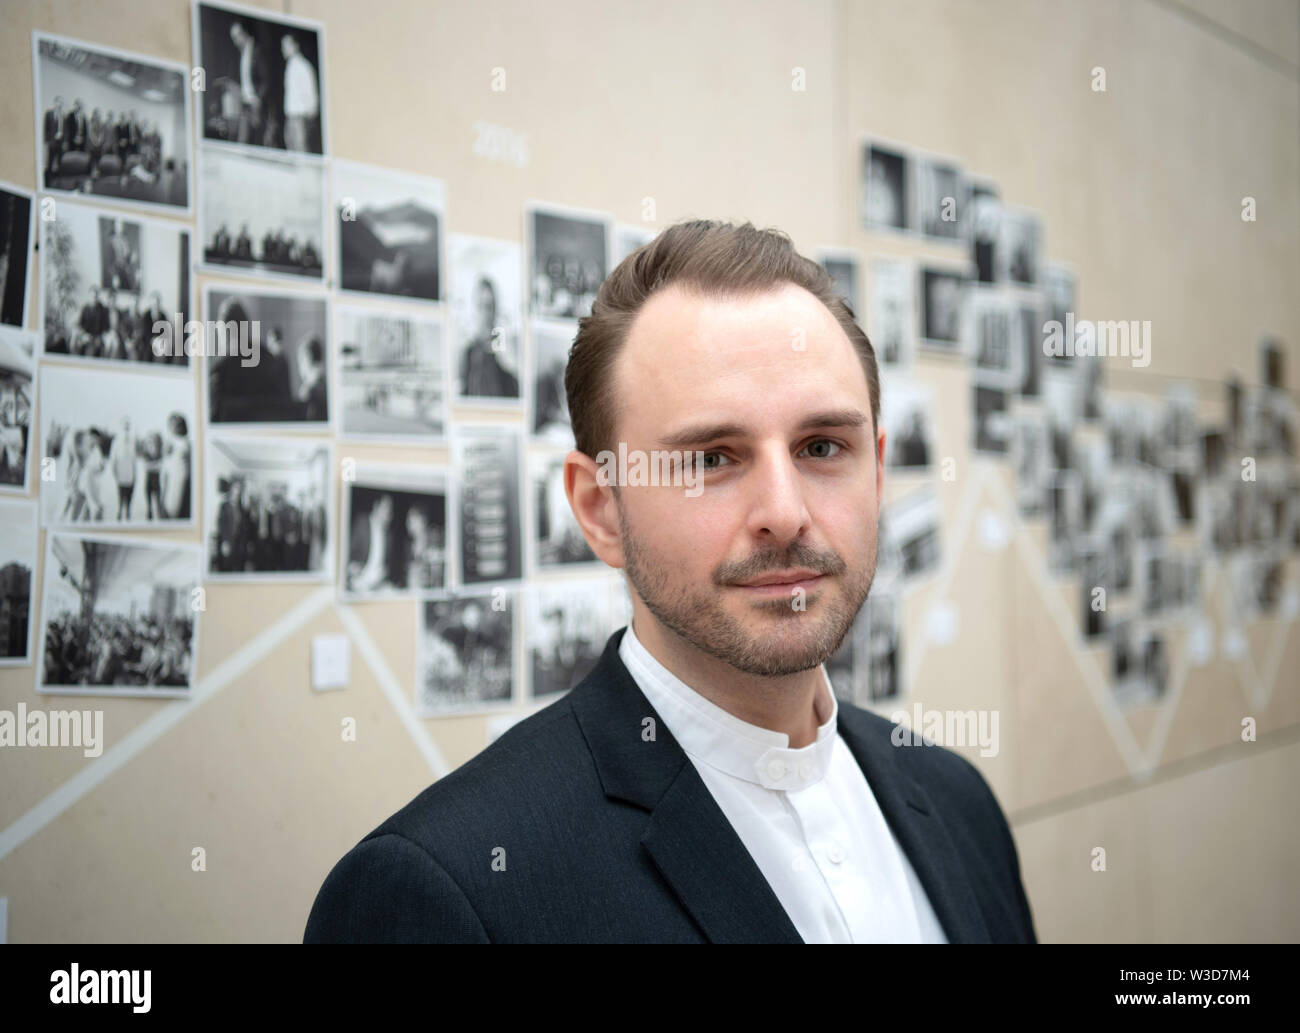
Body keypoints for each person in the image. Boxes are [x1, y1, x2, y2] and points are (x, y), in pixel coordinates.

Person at [305, 220, 1037, 944]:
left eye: (821, 446)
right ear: (601, 511)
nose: (785, 514)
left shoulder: (957, 801)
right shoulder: (445, 891)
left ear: (877, 474)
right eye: (712, 458)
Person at [458, 278, 518, 398]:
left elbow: (513, 371)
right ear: (474, 308)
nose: (486, 313)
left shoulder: (503, 345)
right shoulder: (468, 350)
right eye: (481, 306)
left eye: (489, 306)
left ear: (496, 309)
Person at [229, 21, 267, 146]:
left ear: (244, 33)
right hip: (245, 104)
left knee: (256, 143)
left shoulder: (257, 50)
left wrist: (258, 100)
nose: (235, 42)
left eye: (236, 37)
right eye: (233, 38)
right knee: (243, 143)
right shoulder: (242, 53)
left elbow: (266, 80)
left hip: (256, 104)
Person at [281, 34, 319, 153]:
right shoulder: (290, 66)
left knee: (301, 151)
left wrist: (310, 115)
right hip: (291, 117)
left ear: (295, 45)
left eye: (286, 45)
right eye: (283, 46)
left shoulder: (303, 66)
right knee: (292, 151)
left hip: (300, 118)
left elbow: (310, 92)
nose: (284, 49)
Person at [160, 412, 190, 519]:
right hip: (170, 481)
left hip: (176, 482)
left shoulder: (182, 444)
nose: (172, 428)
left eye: (175, 425)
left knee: (173, 510)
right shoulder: (174, 443)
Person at [109, 416, 136, 520]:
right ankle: (119, 514)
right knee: (120, 496)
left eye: (128, 426)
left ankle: (128, 514)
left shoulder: (132, 441)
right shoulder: (116, 442)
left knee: (129, 496)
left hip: (130, 474)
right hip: (120, 474)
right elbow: (113, 459)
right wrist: (114, 473)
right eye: (125, 426)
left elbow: (133, 459)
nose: (126, 429)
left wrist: (134, 474)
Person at [296, 335, 327, 421]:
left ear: (307, 358)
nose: (299, 367)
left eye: (300, 361)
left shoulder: (308, 390)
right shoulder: (326, 382)